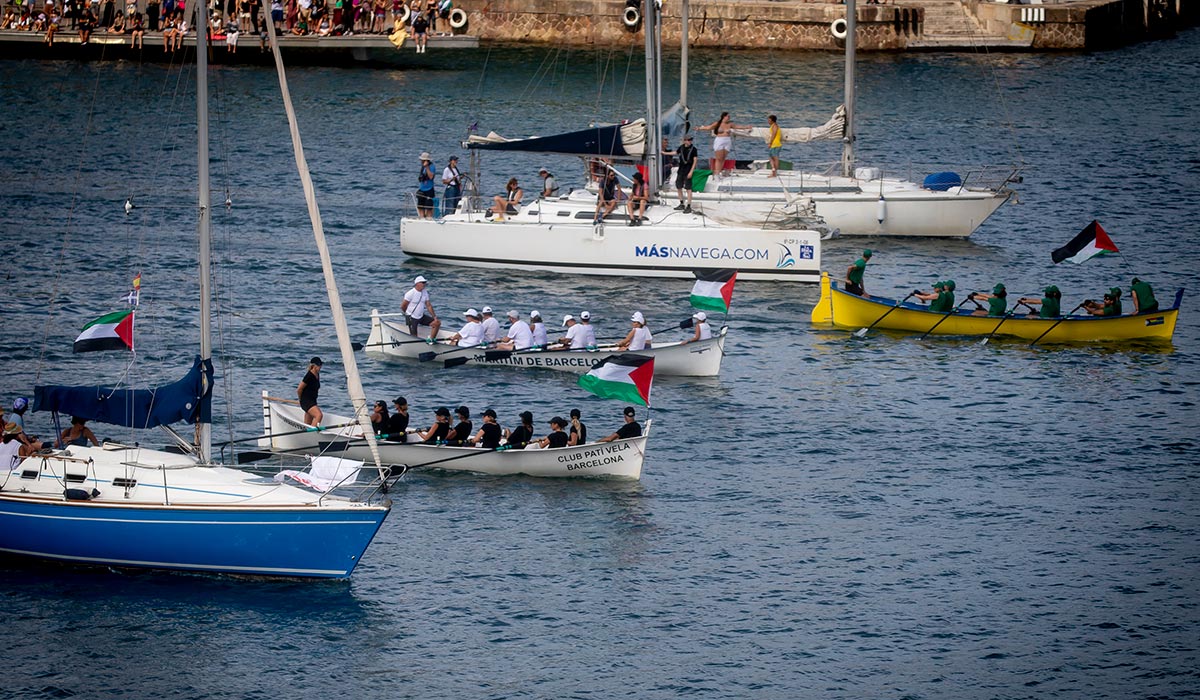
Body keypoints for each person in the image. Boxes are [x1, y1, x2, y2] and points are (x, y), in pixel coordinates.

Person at [696, 112, 748, 179]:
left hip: (727, 141)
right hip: (720, 140)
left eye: (729, 116)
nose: (729, 118)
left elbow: (737, 127)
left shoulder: (730, 124)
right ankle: (716, 174)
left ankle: (719, 172)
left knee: (723, 158)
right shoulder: (717, 123)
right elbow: (709, 127)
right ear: (724, 117)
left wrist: (746, 127)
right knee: (719, 158)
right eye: (727, 116)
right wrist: (700, 128)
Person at [402, 274, 441, 339]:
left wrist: (434, 317)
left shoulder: (425, 292)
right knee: (414, 336)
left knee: (437, 323)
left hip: (421, 316)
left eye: (424, 283)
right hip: (412, 317)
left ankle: (431, 339)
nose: (424, 284)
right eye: (422, 283)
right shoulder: (410, 293)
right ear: (417, 283)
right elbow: (403, 306)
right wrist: (407, 314)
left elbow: (428, 305)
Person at [674, 133, 698, 213]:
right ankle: (681, 203)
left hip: (688, 170)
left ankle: (689, 205)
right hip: (681, 169)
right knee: (678, 186)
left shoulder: (693, 149)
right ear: (684, 141)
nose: (689, 141)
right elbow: (675, 153)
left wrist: (691, 171)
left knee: (688, 188)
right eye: (688, 140)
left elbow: (695, 161)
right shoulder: (681, 148)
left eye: (690, 140)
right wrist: (664, 153)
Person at [297, 356, 323, 426]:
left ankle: (306, 434)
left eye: (321, 365)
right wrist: (300, 399)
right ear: (314, 366)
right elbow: (299, 389)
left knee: (307, 424)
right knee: (319, 415)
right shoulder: (309, 376)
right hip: (306, 401)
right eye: (319, 365)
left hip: (313, 401)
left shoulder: (317, 374)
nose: (320, 367)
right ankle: (312, 434)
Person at [415, 152, 436, 219]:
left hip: (429, 189)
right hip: (422, 189)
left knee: (429, 207)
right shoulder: (422, 167)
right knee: (420, 206)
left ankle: (428, 218)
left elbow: (430, 177)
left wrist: (427, 167)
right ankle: (422, 217)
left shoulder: (431, 167)